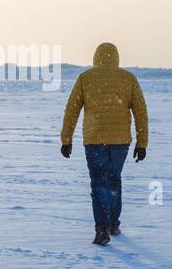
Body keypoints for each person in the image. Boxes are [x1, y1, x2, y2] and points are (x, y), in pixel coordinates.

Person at [60, 42, 149, 246]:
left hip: (94, 140)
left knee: (99, 182)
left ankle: (102, 229)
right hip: (120, 141)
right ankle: (113, 224)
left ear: (96, 57)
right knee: (114, 180)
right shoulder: (128, 78)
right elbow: (140, 112)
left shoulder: (86, 78)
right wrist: (142, 143)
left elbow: (71, 110)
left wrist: (66, 139)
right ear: (116, 57)